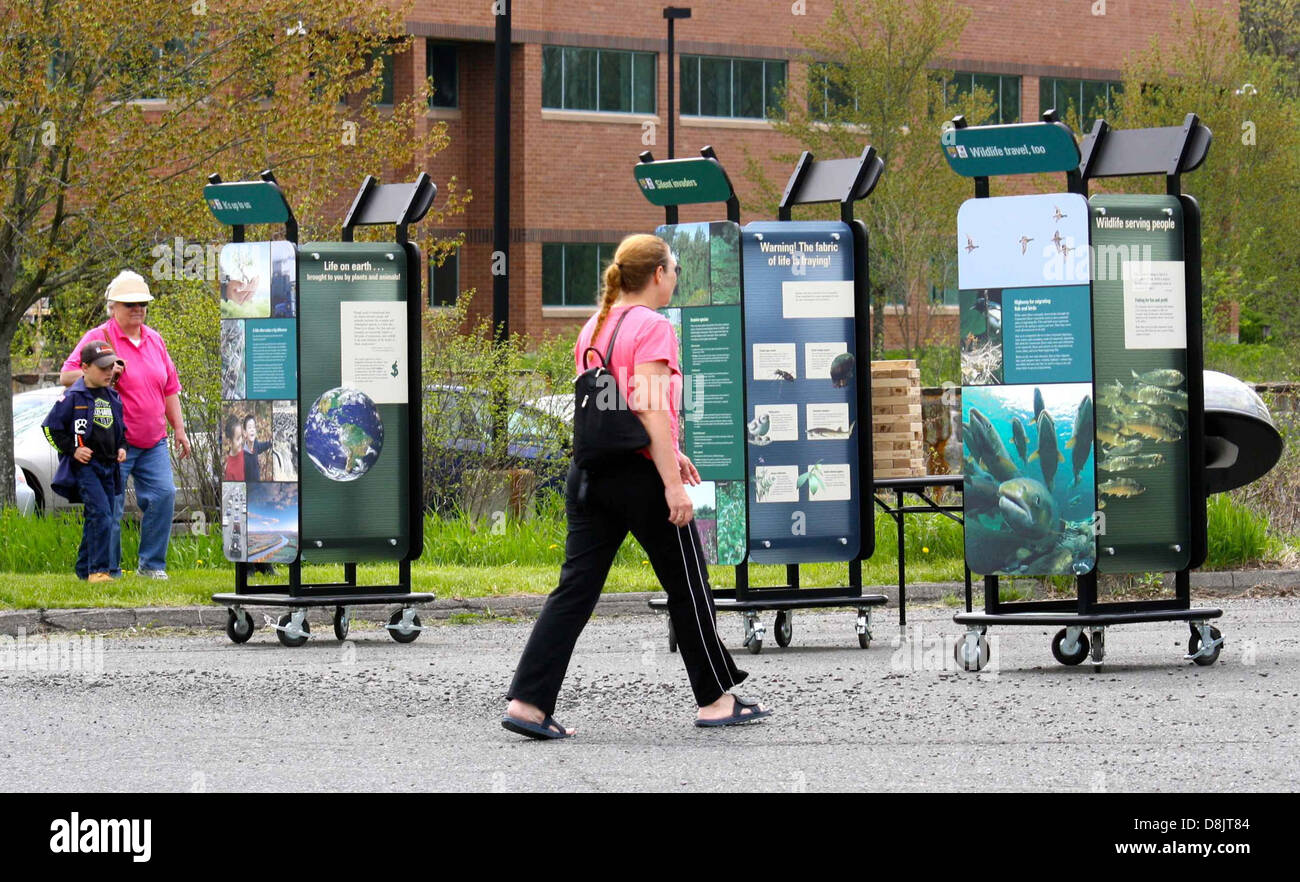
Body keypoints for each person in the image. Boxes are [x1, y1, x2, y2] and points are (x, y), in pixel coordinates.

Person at [502, 234, 771, 739]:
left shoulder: (594, 327)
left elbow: (613, 410)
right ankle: (715, 699)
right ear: (657, 275)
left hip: (590, 476)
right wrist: (672, 484)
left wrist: (673, 452)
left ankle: (528, 704)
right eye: (674, 269)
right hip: (639, 478)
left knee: (574, 591)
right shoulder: (653, 326)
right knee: (687, 584)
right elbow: (648, 407)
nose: (675, 278)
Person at [60, 270, 190, 581]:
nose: (138, 309)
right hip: (111, 442)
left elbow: (170, 388)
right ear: (113, 306)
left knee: (163, 496)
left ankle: (152, 566)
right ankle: (107, 570)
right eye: (130, 304)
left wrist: (180, 430)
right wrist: (101, 373)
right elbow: (66, 376)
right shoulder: (99, 339)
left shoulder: (155, 340)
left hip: (154, 440)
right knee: (110, 509)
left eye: (142, 303)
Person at [42, 342, 128, 583]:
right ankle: (98, 571)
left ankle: (83, 570)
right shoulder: (72, 397)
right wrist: (73, 450)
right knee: (101, 515)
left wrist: (122, 448)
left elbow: (121, 430)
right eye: (102, 368)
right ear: (84, 368)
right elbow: (50, 429)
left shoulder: (113, 396)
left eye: (111, 366)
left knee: (100, 516)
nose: (109, 372)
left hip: (110, 468)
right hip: (85, 468)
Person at [241, 414, 273, 482]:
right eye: (249, 427)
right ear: (244, 433)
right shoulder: (242, 456)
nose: (252, 430)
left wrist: (270, 442)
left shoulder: (256, 445)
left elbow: (263, 445)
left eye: (254, 427)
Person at [222, 416, 245, 481]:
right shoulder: (230, 470)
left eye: (241, 436)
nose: (241, 441)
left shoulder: (246, 453)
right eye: (237, 439)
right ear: (229, 442)